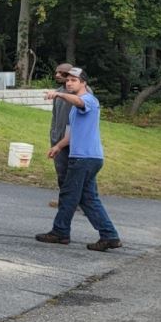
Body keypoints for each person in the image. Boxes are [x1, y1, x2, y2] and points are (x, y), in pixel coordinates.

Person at [35, 67, 122, 251]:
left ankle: (60, 232)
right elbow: (72, 133)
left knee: (68, 194)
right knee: (88, 199)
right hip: (86, 157)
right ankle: (109, 236)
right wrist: (58, 146)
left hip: (84, 158)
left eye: (74, 80)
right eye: (67, 80)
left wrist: (58, 95)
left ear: (83, 83)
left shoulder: (88, 100)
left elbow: (78, 101)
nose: (68, 83)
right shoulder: (75, 109)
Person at [46, 63, 73, 207]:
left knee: (75, 172)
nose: (57, 75)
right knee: (61, 171)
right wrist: (54, 136)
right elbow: (55, 117)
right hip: (59, 138)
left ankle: (76, 202)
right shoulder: (58, 92)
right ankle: (65, 200)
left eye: (62, 73)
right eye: (56, 72)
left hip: (73, 139)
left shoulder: (80, 93)